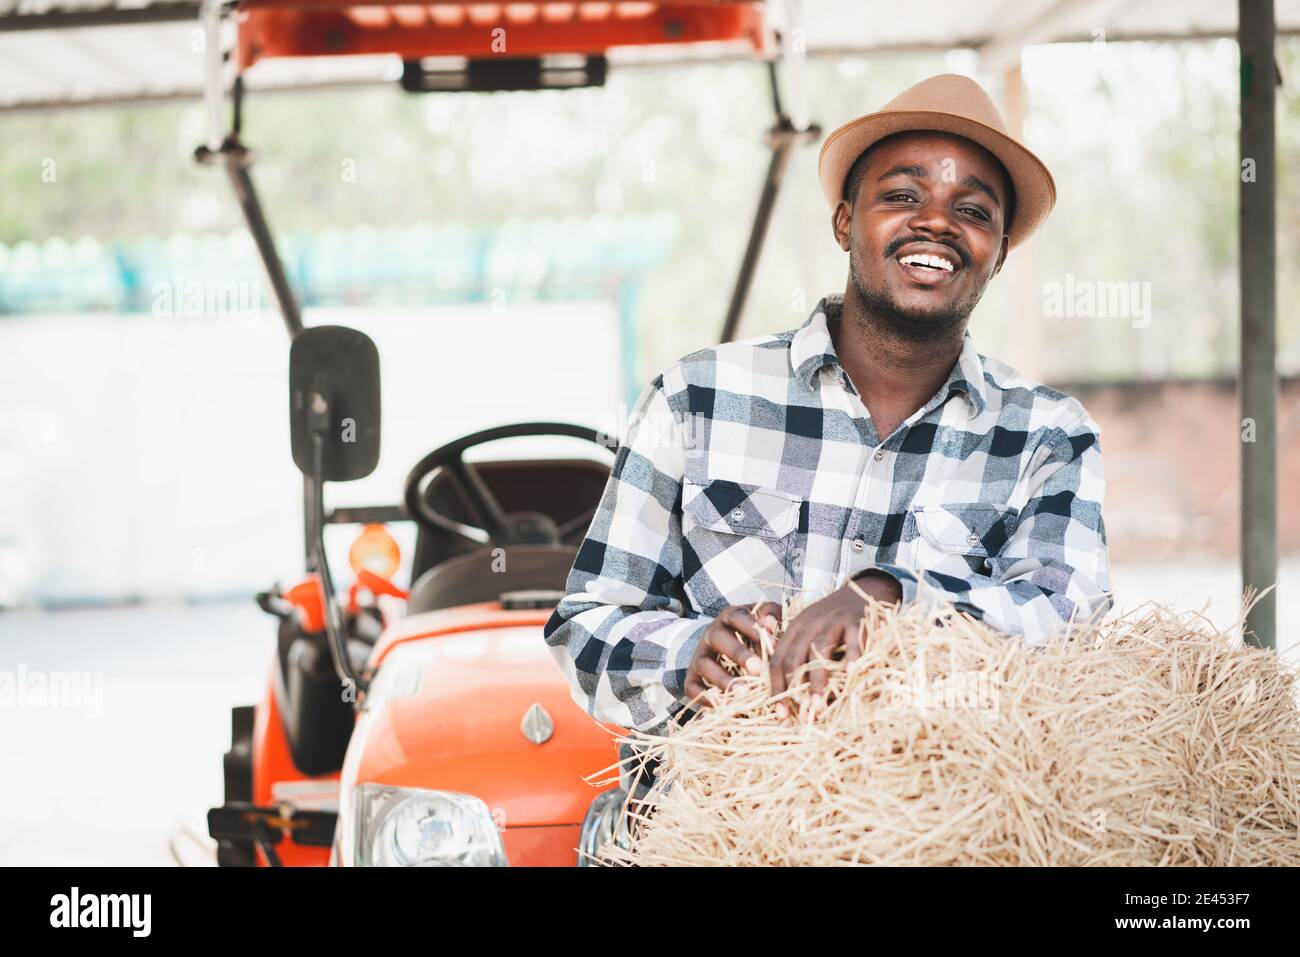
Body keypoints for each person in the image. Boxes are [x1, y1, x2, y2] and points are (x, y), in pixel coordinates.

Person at [544, 74, 1112, 801]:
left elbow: (1070, 626)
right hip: (713, 834)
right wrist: (685, 653)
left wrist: (894, 597)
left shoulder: (1048, 438)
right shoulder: (696, 397)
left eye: (971, 209)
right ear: (845, 223)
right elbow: (584, 624)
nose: (936, 222)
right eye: (902, 195)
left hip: (936, 836)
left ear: (998, 251)